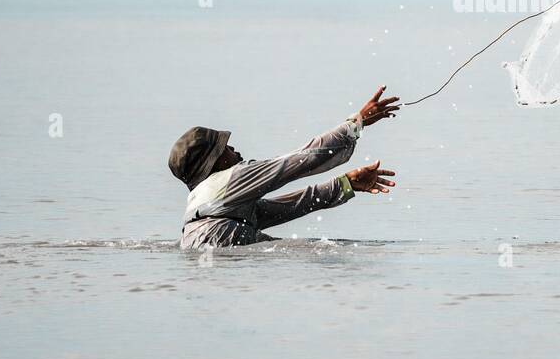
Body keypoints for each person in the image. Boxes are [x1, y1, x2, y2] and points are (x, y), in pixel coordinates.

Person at [169, 86, 400, 249]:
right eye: (226, 148)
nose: (235, 150)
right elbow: (303, 158)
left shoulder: (201, 204)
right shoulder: (234, 177)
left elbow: (291, 206)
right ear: (214, 162)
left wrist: (346, 184)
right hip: (223, 251)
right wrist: (356, 123)